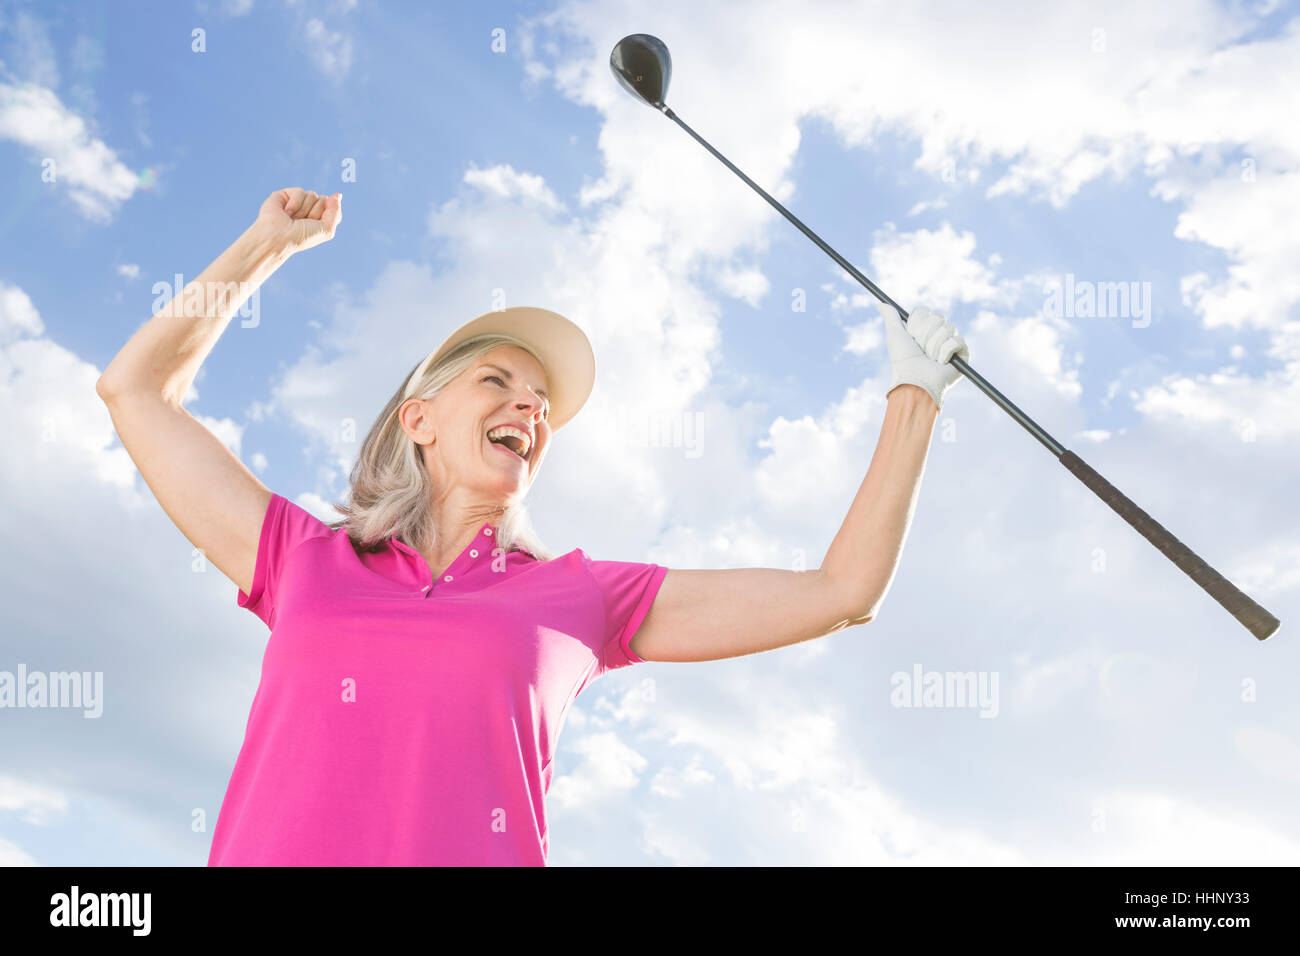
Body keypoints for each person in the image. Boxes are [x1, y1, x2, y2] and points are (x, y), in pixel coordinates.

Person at [95, 187, 970, 866]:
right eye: (498, 381)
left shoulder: (580, 597)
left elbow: (840, 593)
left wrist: (913, 399)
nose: (530, 405)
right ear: (419, 420)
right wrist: (266, 246)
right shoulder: (302, 559)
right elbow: (135, 391)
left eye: (542, 402)